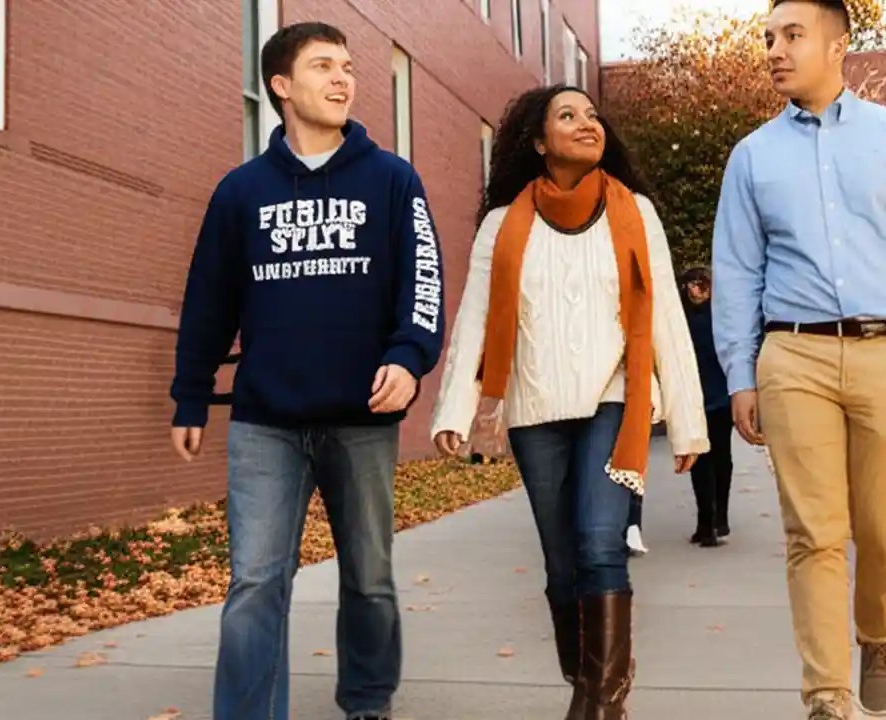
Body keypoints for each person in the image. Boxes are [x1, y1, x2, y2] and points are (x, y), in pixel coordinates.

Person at [168, 22, 445, 720]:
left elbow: (423, 282)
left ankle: (367, 700)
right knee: (256, 582)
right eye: (324, 66)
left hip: (361, 416)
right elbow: (209, 300)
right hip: (266, 419)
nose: (343, 78)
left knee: (370, 577)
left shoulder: (391, 179)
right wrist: (191, 397)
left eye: (348, 67)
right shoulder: (241, 192)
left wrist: (409, 358)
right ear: (281, 86)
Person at [711, 2, 886, 718]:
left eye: (792, 36)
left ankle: (877, 635)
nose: (775, 51)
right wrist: (741, 373)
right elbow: (737, 273)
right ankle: (826, 693)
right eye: (768, 38)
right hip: (794, 357)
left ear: (838, 45)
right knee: (813, 534)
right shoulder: (753, 156)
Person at [430, 84, 709, 719]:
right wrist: (453, 410)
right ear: (538, 141)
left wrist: (689, 423)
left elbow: (666, 316)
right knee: (562, 565)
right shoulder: (504, 225)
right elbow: (474, 320)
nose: (587, 123)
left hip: (615, 399)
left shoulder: (634, 211)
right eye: (567, 115)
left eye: (591, 114)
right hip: (534, 411)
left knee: (597, 541)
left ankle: (603, 703)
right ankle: (589, 683)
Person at [679, 266, 735, 548]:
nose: (694, 289)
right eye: (689, 284)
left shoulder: (721, 318)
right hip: (693, 398)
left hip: (720, 397)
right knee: (699, 460)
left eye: (700, 284)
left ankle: (718, 518)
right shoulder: (681, 319)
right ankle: (706, 521)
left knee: (721, 457)